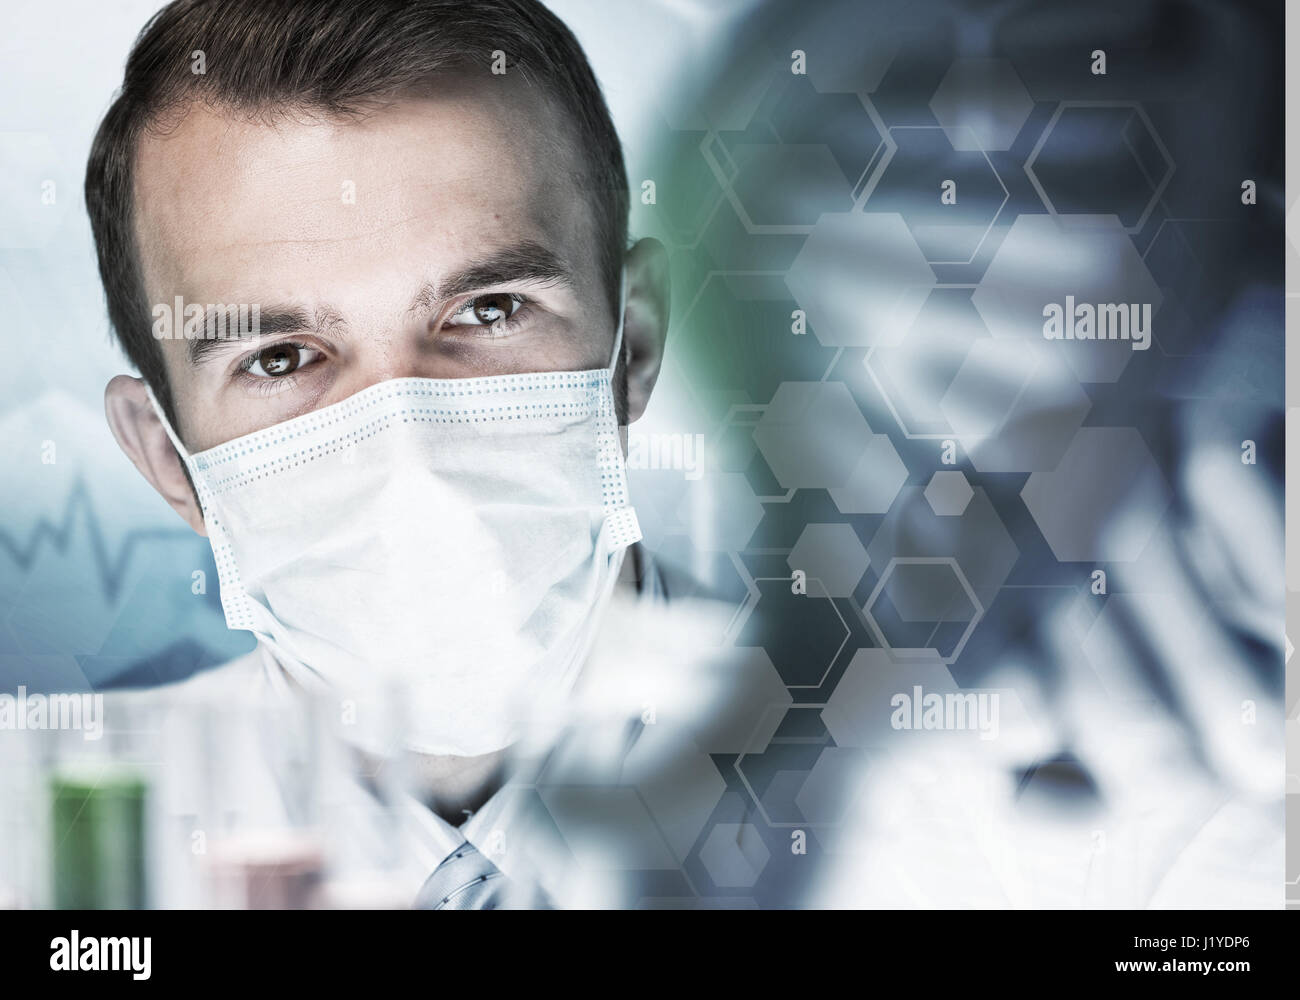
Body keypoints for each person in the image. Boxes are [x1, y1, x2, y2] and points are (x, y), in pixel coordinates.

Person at [84, 0, 679, 907]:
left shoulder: (938, 823)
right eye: (279, 359)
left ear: (631, 346)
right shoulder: (50, 854)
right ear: (167, 460)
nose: (410, 455)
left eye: (488, 310)